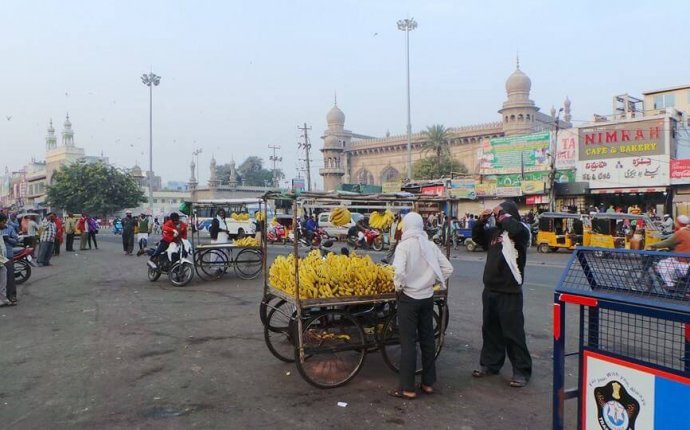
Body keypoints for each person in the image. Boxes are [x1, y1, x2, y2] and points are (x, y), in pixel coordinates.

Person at [388, 212, 453, 399]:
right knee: (427, 341)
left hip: (409, 299)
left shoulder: (404, 246)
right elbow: (448, 269)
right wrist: (432, 283)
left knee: (408, 343)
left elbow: (398, 272)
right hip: (427, 299)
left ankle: (407, 388)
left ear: (407, 226)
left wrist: (399, 288)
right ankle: (428, 383)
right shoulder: (430, 245)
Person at [471, 200, 532, 388]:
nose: (498, 218)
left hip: (509, 292)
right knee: (490, 330)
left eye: (502, 214)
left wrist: (502, 214)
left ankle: (521, 371)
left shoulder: (520, 232)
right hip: (490, 291)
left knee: (513, 333)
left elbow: (514, 228)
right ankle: (490, 364)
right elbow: (477, 237)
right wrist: (481, 221)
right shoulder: (494, 233)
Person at [649, 215, 690, 288]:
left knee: (662, 264)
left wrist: (652, 245)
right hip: (686, 261)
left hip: (683, 261)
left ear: (678, 223)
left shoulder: (681, 233)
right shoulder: (687, 231)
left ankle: (670, 285)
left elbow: (668, 242)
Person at [0, 213, 17, 305]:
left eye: (5, 221)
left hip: (8, 256)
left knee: (10, 277)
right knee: (2, 279)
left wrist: (8, 239)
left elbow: (15, 242)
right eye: (3, 222)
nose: (4, 223)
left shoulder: (10, 228)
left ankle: (11, 296)